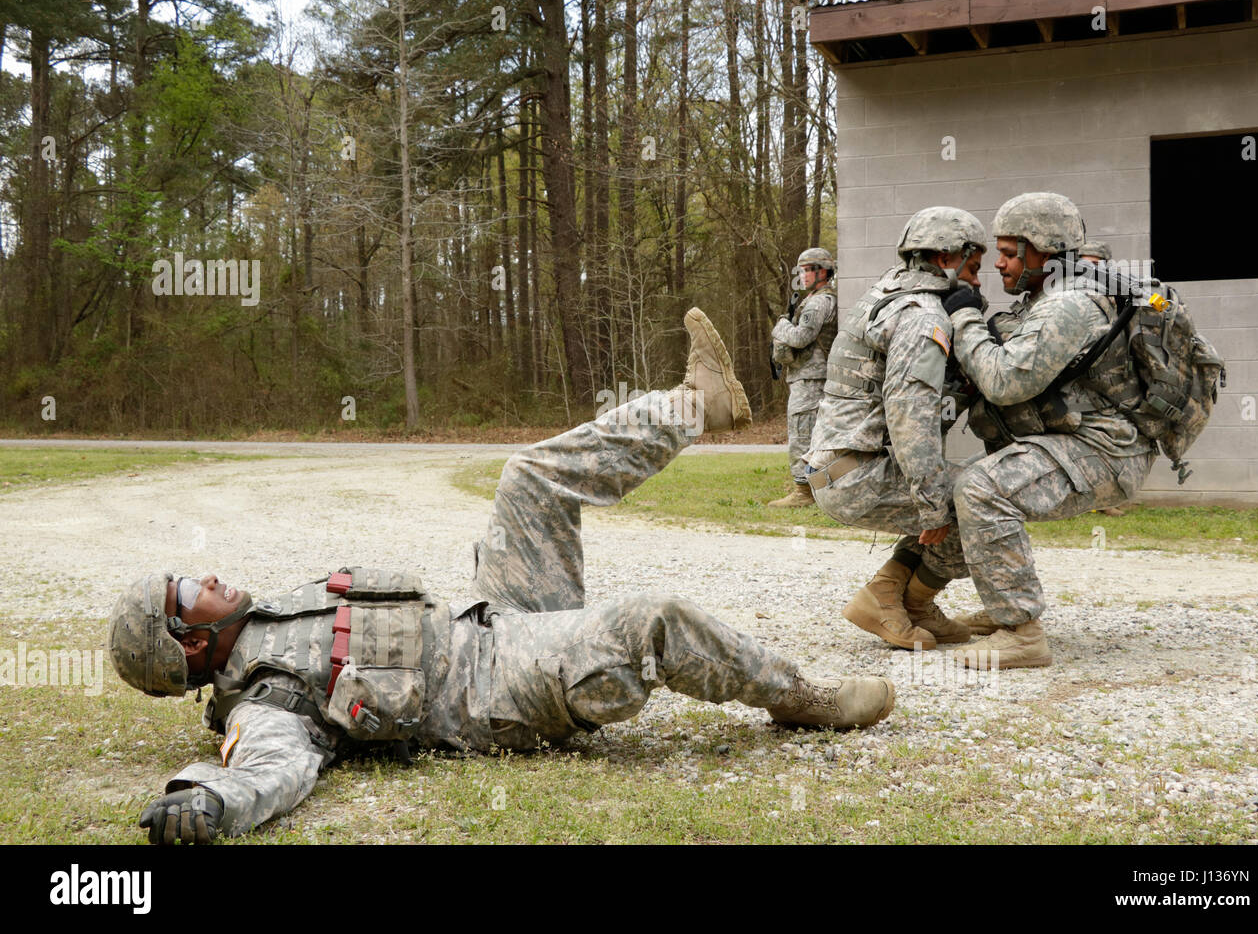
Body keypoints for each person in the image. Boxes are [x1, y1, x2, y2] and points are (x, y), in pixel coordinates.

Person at [109, 309, 896, 844]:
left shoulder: (268, 617)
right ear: (187, 645)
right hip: (499, 690)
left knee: (527, 476)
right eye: (186, 593)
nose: (205, 577)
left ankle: (698, 405)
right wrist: (204, 799)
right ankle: (805, 701)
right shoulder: (267, 700)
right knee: (652, 619)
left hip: (493, 622)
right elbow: (267, 770)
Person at [943, 192, 1156, 669]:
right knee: (965, 484)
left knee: (980, 487)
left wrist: (963, 317)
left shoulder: (1069, 306)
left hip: (1106, 451)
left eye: (1009, 252)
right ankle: (1004, 608)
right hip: (1079, 441)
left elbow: (1003, 381)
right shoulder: (1046, 298)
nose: (998, 263)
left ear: (1046, 250)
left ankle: (1022, 634)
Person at [802, 207, 988, 652]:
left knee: (963, 492)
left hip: (840, 466)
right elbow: (910, 415)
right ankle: (899, 601)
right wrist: (931, 506)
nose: (979, 282)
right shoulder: (923, 317)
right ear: (947, 259)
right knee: (987, 504)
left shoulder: (884, 295)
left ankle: (897, 600)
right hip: (857, 473)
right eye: (975, 268)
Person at [769, 247, 839, 508]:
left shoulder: (820, 301)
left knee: (801, 433)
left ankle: (803, 492)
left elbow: (800, 338)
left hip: (811, 379)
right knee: (813, 435)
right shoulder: (816, 299)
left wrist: (781, 325)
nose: (804, 275)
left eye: (808, 270)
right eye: (802, 271)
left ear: (822, 272)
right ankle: (817, 490)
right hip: (809, 377)